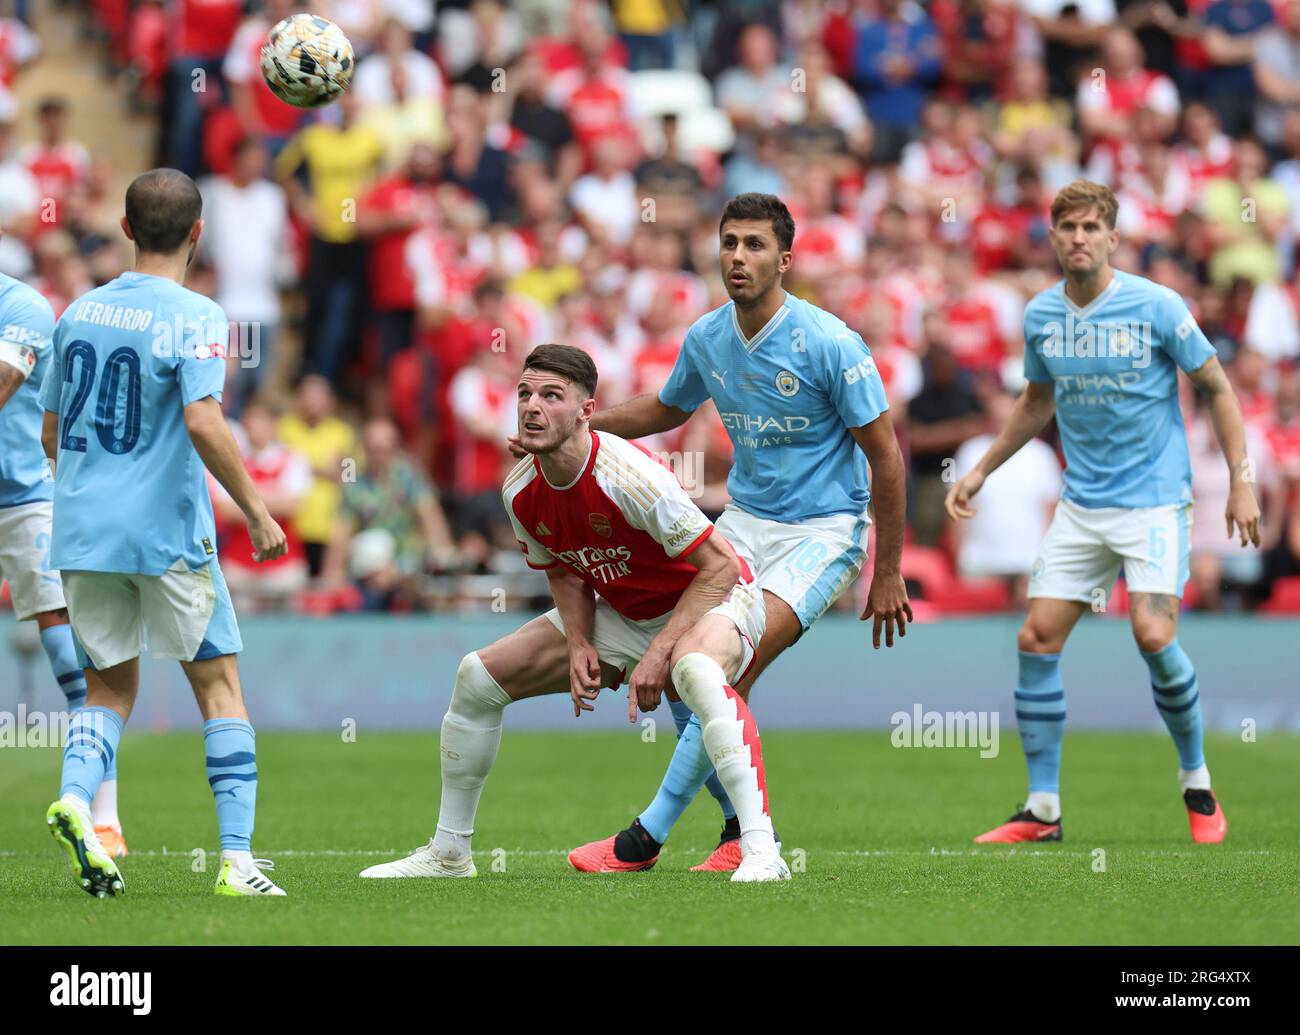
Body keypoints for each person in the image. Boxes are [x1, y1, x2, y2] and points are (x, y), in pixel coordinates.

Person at [560, 193, 911, 873]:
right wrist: (586, 425)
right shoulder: (709, 336)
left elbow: (887, 457)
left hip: (824, 532)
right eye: (729, 243)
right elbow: (667, 406)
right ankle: (733, 834)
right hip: (745, 526)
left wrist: (887, 569)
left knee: (718, 670)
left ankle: (645, 838)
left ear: (785, 258)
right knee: (697, 670)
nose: (738, 257)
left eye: (753, 245)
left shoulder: (831, 342)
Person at [360, 344, 790, 883]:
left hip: (716, 602)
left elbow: (720, 568)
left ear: (586, 410)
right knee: (477, 678)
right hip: (627, 614)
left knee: (697, 673)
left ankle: (760, 851)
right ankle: (450, 854)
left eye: (551, 396)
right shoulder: (519, 489)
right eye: (524, 394)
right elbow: (562, 569)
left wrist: (660, 652)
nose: (532, 407)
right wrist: (582, 644)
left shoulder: (627, 474)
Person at [945, 179, 1262, 845]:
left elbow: (1217, 387)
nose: (1080, 238)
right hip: (1082, 505)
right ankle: (1042, 809)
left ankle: (1197, 780)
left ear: (1114, 238)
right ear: (1054, 237)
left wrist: (1240, 480)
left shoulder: (1156, 306)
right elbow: (1037, 402)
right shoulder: (1040, 316)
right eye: (1068, 229)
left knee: (1151, 634)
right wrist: (978, 469)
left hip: (1154, 501)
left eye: (1092, 228)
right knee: (1035, 639)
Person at [39, 169, 289, 897]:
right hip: (165, 534)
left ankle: (79, 803)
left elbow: (51, 429)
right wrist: (258, 510)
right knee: (219, 686)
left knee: (107, 687)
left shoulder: (77, 310)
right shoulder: (199, 314)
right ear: (197, 233)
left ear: (123, 228)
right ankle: (238, 863)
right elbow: (204, 418)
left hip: (82, 532)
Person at [0, 254, 128, 856]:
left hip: (27, 500)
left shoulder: (22, 307)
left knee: (75, 669)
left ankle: (104, 819)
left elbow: (2, 386)